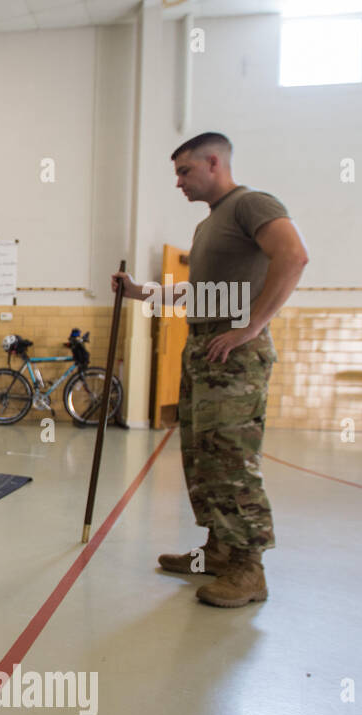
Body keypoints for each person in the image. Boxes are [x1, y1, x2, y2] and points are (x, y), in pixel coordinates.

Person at [112, 131, 308, 608]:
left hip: (234, 353)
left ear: (214, 163)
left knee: (231, 459)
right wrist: (141, 293)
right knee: (202, 456)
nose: (178, 182)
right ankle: (219, 550)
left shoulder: (251, 205)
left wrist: (249, 327)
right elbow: (198, 295)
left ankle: (248, 569)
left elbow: (294, 256)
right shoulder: (209, 225)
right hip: (203, 348)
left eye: (185, 171)